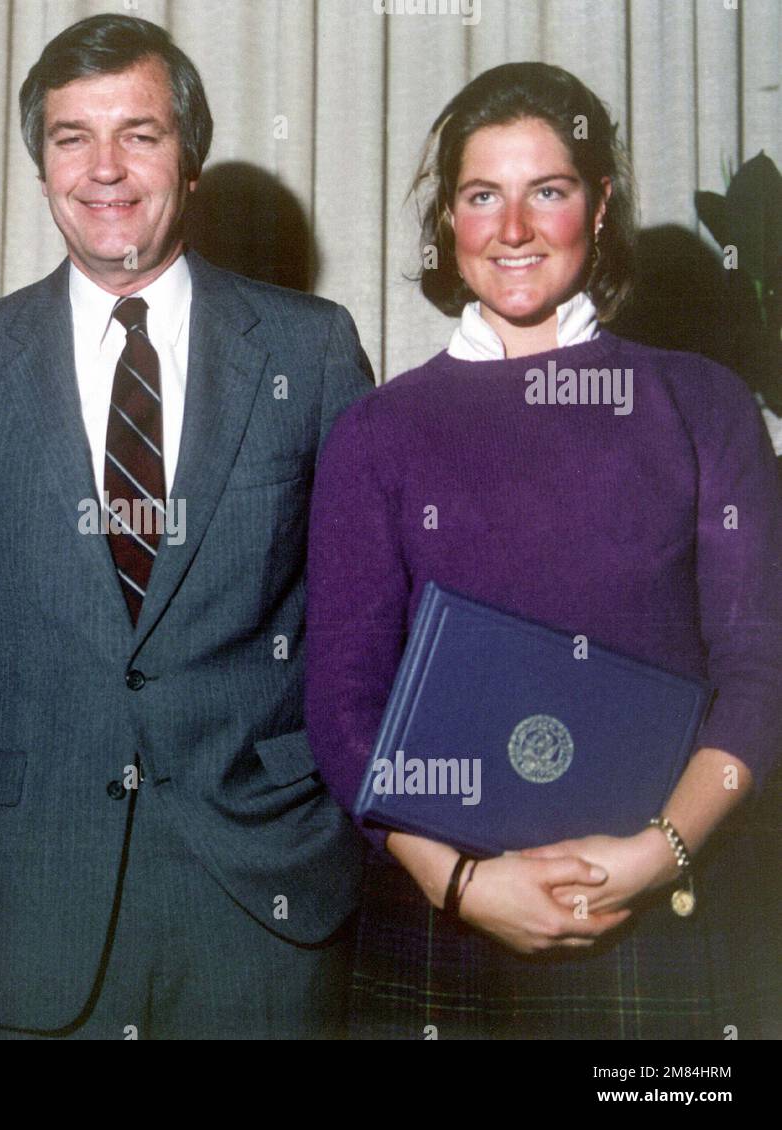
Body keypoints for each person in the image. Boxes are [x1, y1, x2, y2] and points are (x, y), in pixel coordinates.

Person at [0, 13, 374, 1038]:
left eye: (139, 134)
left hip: (265, 892)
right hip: (27, 894)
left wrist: (346, 838)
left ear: (188, 158)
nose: (104, 168)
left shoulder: (312, 348)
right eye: (72, 137)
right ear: (39, 166)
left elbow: (363, 630)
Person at [306, 62, 782, 1038]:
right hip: (439, 915)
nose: (512, 229)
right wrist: (464, 882)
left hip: (654, 909)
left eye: (547, 191)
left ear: (598, 206)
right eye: (482, 195)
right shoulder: (375, 431)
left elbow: (762, 666)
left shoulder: (702, 405)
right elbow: (340, 705)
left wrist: (658, 852)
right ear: (448, 219)